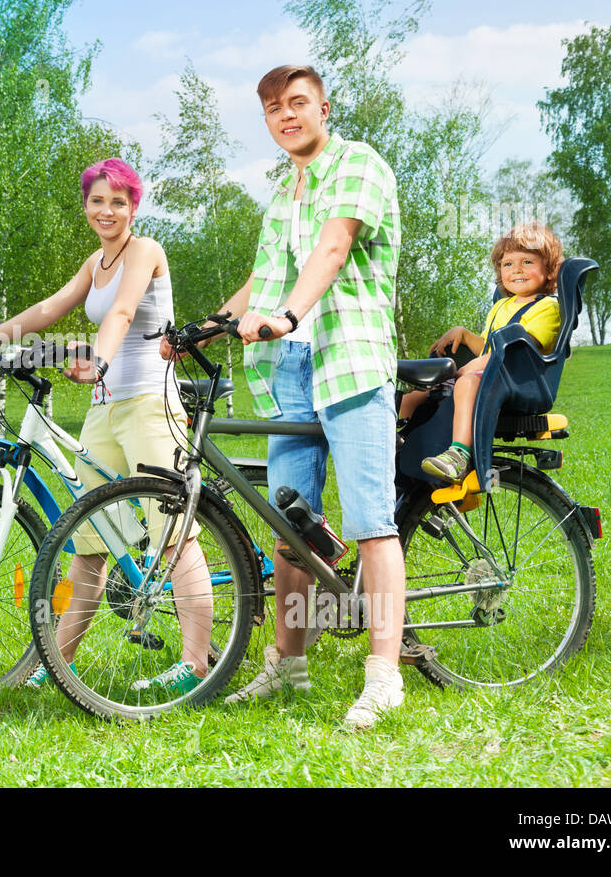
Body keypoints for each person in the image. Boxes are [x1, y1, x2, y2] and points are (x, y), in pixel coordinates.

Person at [170, 64, 406, 729]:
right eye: (274, 108)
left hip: (349, 361)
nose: (286, 116)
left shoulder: (357, 163)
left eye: (297, 103)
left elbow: (331, 251)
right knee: (289, 528)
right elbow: (265, 277)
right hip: (289, 371)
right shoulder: (284, 193)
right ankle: (288, 664)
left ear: (324, 106)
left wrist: (291, 315)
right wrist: (208, 326)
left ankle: (384, 676)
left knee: (369, 523)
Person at [0, 158, 214, 695]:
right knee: (91, 543)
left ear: (134, 208)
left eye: (118, 202)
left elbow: (121, 314)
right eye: (98, 201)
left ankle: (196, 666)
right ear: (86, 206)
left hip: (150, 403)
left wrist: (96, 359)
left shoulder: (144, 251)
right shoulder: (94, 262)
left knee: (171, 536)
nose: (107, 210)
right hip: (105, 410)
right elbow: (51, 307)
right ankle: (59, 666)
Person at [407, 222, 564, 482]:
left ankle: (458, 454)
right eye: (508, 264)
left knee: (467, 381)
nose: (517, 270)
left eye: (527, 262)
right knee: (417, 393)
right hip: (492, 374)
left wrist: (474, 366)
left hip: (520, 383)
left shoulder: (547, 307)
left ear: (548, 270)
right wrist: (465, 335)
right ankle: (399, 439)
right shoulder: (501, 306)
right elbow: (489, 346)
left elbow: (518, 351)